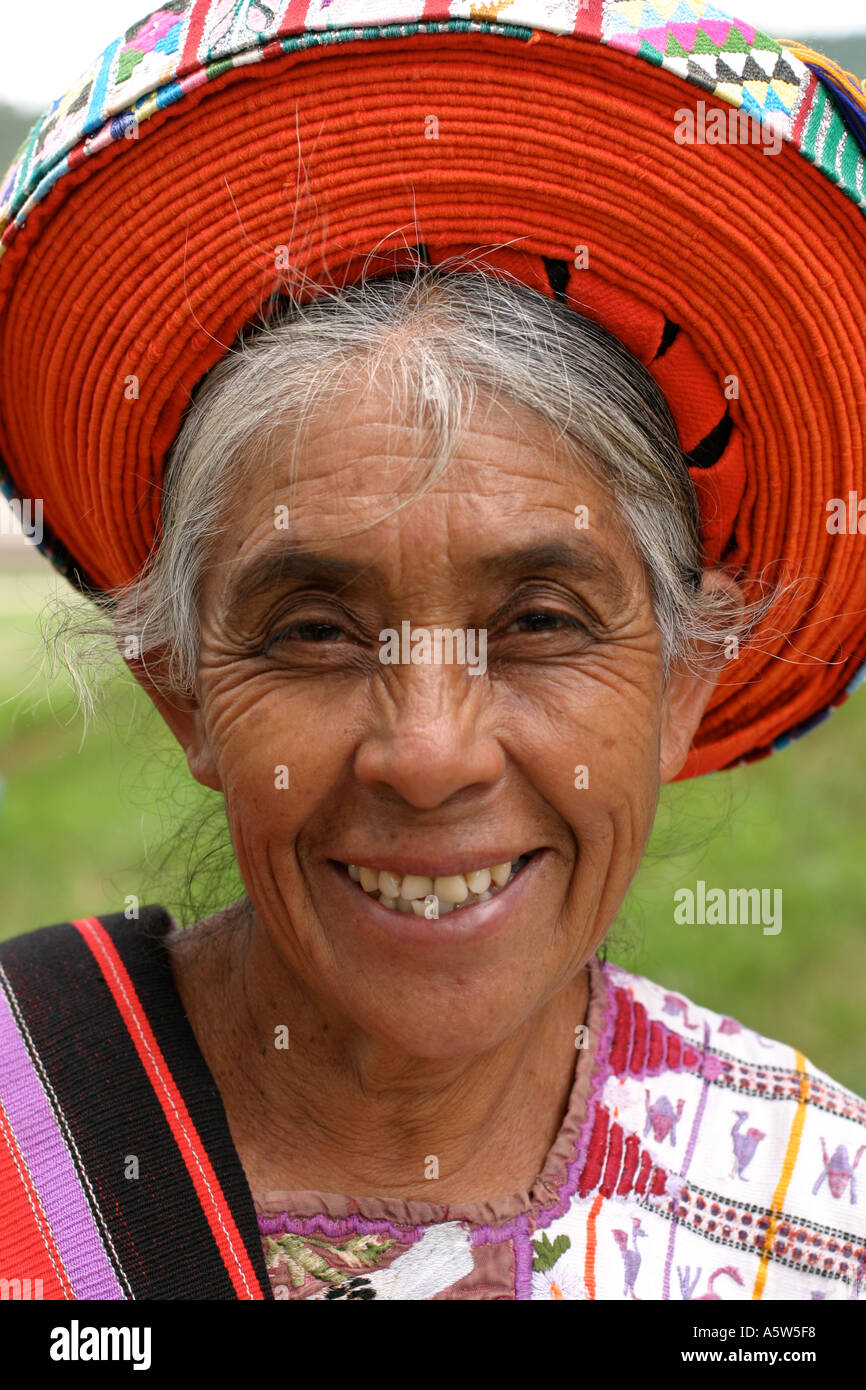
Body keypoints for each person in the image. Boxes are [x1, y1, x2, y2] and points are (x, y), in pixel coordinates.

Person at [0, 0, 864, 1301]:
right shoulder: (29, 1119)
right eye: (312, 629)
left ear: (684, 681)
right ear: (181, 691)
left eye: (537, 622)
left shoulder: (806, 1210)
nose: (428, 753)